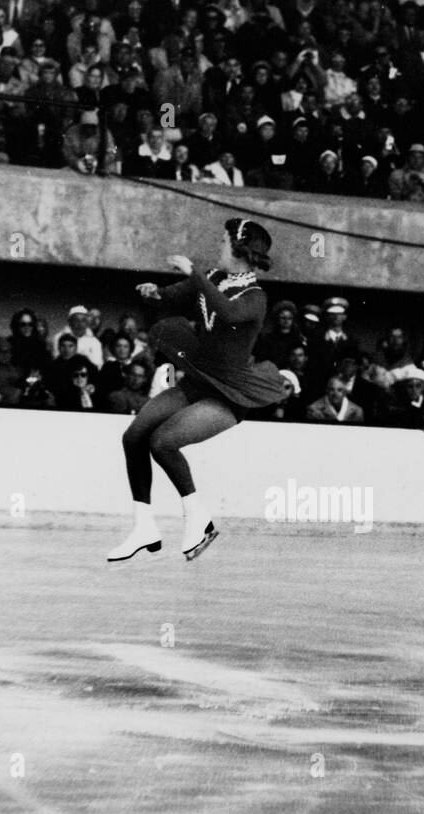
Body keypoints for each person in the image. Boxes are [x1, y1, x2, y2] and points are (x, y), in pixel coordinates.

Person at [108, 218, 283, 563]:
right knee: (134, 436)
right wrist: (155, 292)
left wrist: (195, 274)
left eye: (223, 241)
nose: (218, 247)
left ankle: (198, 518)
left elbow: (228, 311)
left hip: (228, 394)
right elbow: (175, 297)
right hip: (198, 381)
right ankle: (144, 527)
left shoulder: (255, 297)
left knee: (163, 442)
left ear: (240, 250)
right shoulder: (215, 278)